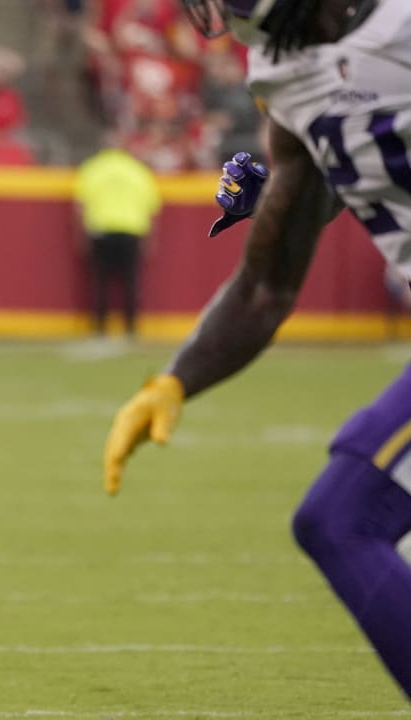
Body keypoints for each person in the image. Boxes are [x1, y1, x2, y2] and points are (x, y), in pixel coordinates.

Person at [104, 0, 411, 700]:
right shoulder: (287, 75)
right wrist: (175, 382)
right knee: (339, 520)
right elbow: (269, 282)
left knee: (344, 519)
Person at [73, 133, 161, 337]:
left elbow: (80, 205)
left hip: (100, 228)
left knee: (100, 281)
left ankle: (99, 327)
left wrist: (80, 234)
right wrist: (150, 238)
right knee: (131, 281)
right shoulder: (138, 170)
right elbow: (151, 208)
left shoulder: (92, 168)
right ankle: (130, 327)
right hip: (132, 229)